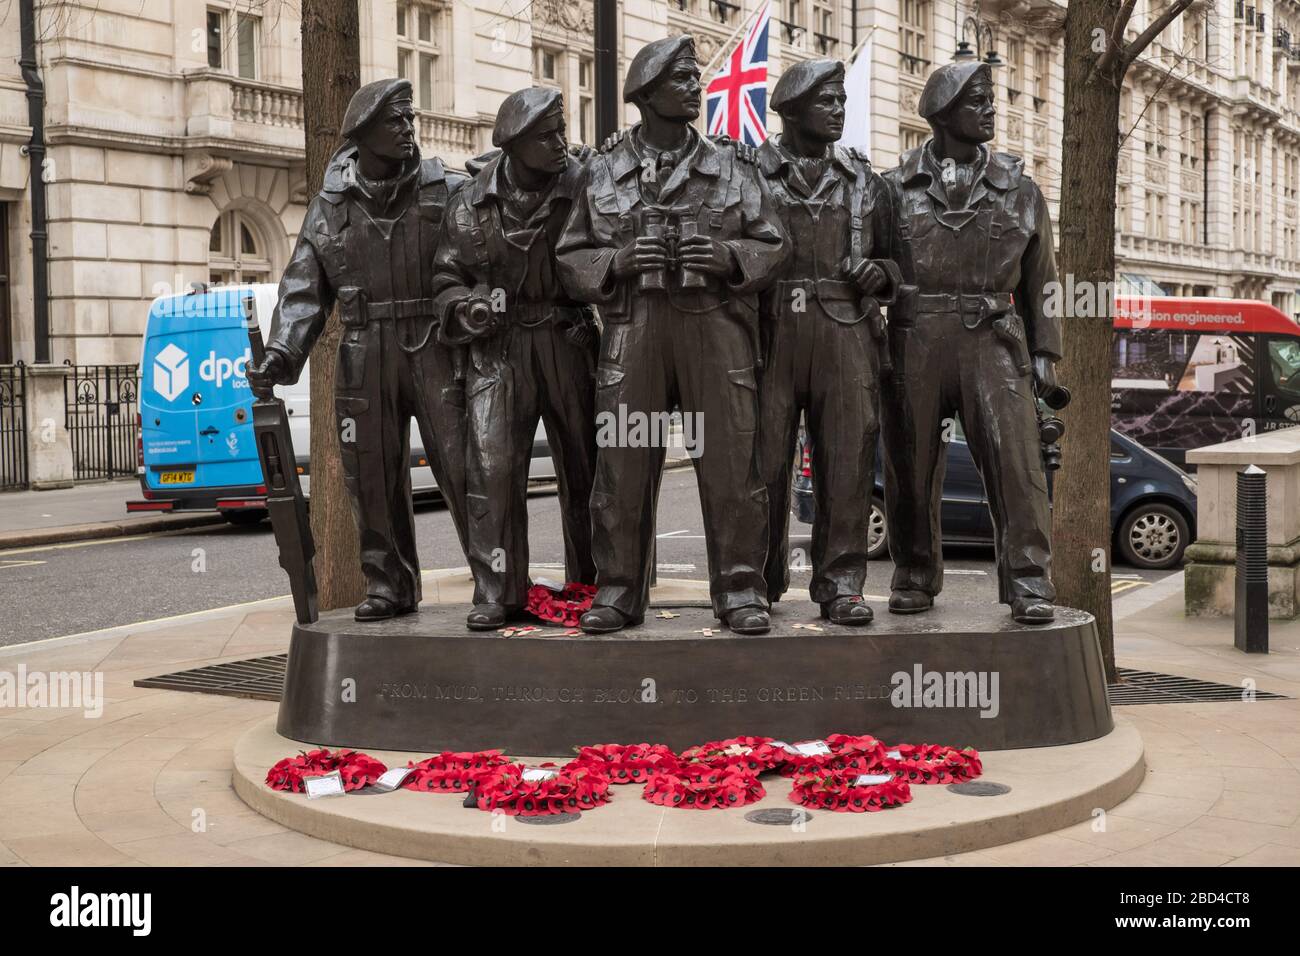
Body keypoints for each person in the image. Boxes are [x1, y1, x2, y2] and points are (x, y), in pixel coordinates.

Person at [555, 35, 789, 635]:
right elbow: (572, 254)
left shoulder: (733, 166)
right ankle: (619, 589)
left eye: (694, 77)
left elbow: (773, 243)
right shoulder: (603, 171)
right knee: (623, 469)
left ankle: (740, 589)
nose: (696, 87)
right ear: (647, 94)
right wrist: (618, 262)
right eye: (682, 79)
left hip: (717, 331)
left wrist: (728, 256)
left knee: (733, 464)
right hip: (635, 334)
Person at [246, 78, 470, 622]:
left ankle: (495, 578)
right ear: (364, 135)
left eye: (409, 119)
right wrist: (280, 352)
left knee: (467, 465)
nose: (408, 129)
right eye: (396, 121)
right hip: (363, 350)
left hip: (434, 343)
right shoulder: (330, 207)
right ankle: (388, 584)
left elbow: (475, 263)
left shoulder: (447, 188)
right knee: (369, 477)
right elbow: (303, 288)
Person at [881, 61, 1063, 625]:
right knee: (910, 463)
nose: (991, 109)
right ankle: (913, 574)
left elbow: (1044, 286)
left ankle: (1028, 579)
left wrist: (1045, 360)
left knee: (1017, 464)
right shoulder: (892, 188)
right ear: (942, 112)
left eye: (989, 99)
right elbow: (871, 266)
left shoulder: (1022, 190)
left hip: (993, 339)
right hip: (915, 337)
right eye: (977, 100)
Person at [431, 87, 599, 630]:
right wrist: (465, 308)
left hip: (568, 339)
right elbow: (445, 277)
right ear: (516, 144)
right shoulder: (469, 202)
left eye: (561, 130)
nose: (561, 142)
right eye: (547, 135)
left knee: (587, 467)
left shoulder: (586, 186)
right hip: (497, 351)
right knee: (494, 470)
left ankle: (594, 584)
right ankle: (498, 589)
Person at [755, 59, 899, 625]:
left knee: (847, 460)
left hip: (846, 330)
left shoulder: (865, 179)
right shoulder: (750, 173)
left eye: (841, 100)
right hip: (771, 331)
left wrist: (880, 273)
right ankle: (757, 583)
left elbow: (898, 266)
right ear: (791, 110)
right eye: (827, 101)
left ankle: (841, 583)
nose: (840, 110)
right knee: (762, 462)